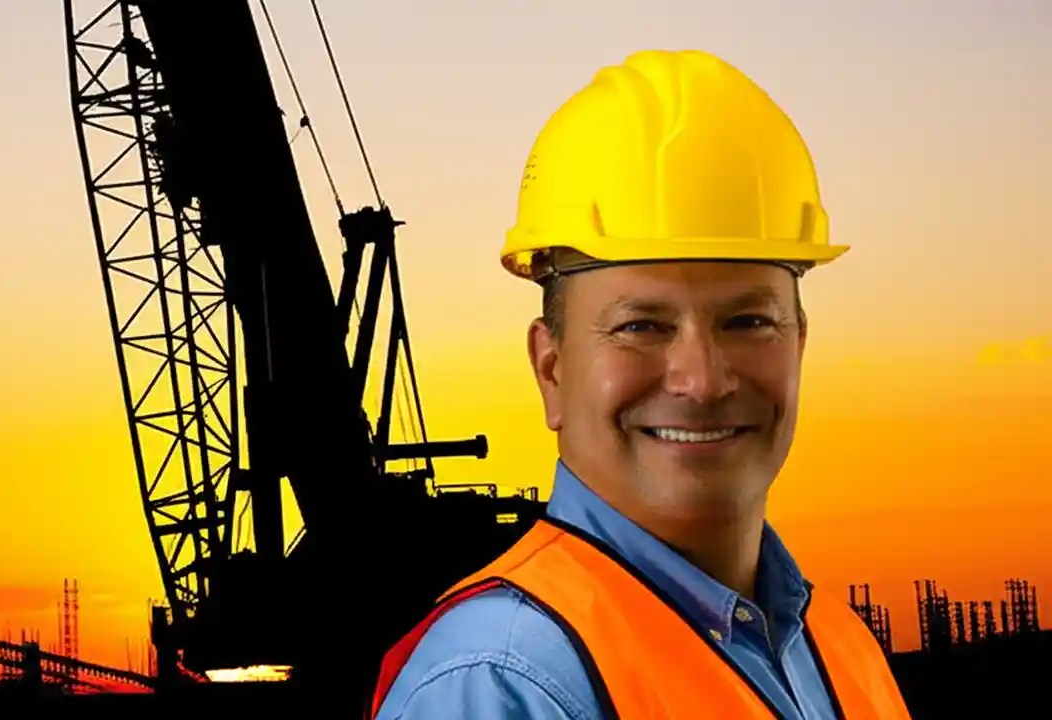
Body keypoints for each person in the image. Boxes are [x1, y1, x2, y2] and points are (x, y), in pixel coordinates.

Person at [367, 49, 913, 719]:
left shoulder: (841, 650)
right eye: (641, 326)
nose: (702, 380)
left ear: (799, 343)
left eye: (748, 321)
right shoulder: (505, 684)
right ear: (552, 368)